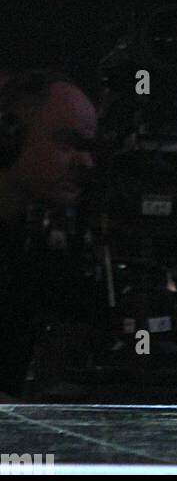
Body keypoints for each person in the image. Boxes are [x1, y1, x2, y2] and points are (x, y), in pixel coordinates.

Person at [0, 69, 97, 400]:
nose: (86, 162)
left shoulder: (36, 237)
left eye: (89, 148)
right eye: (68, 142)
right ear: (8, 136)